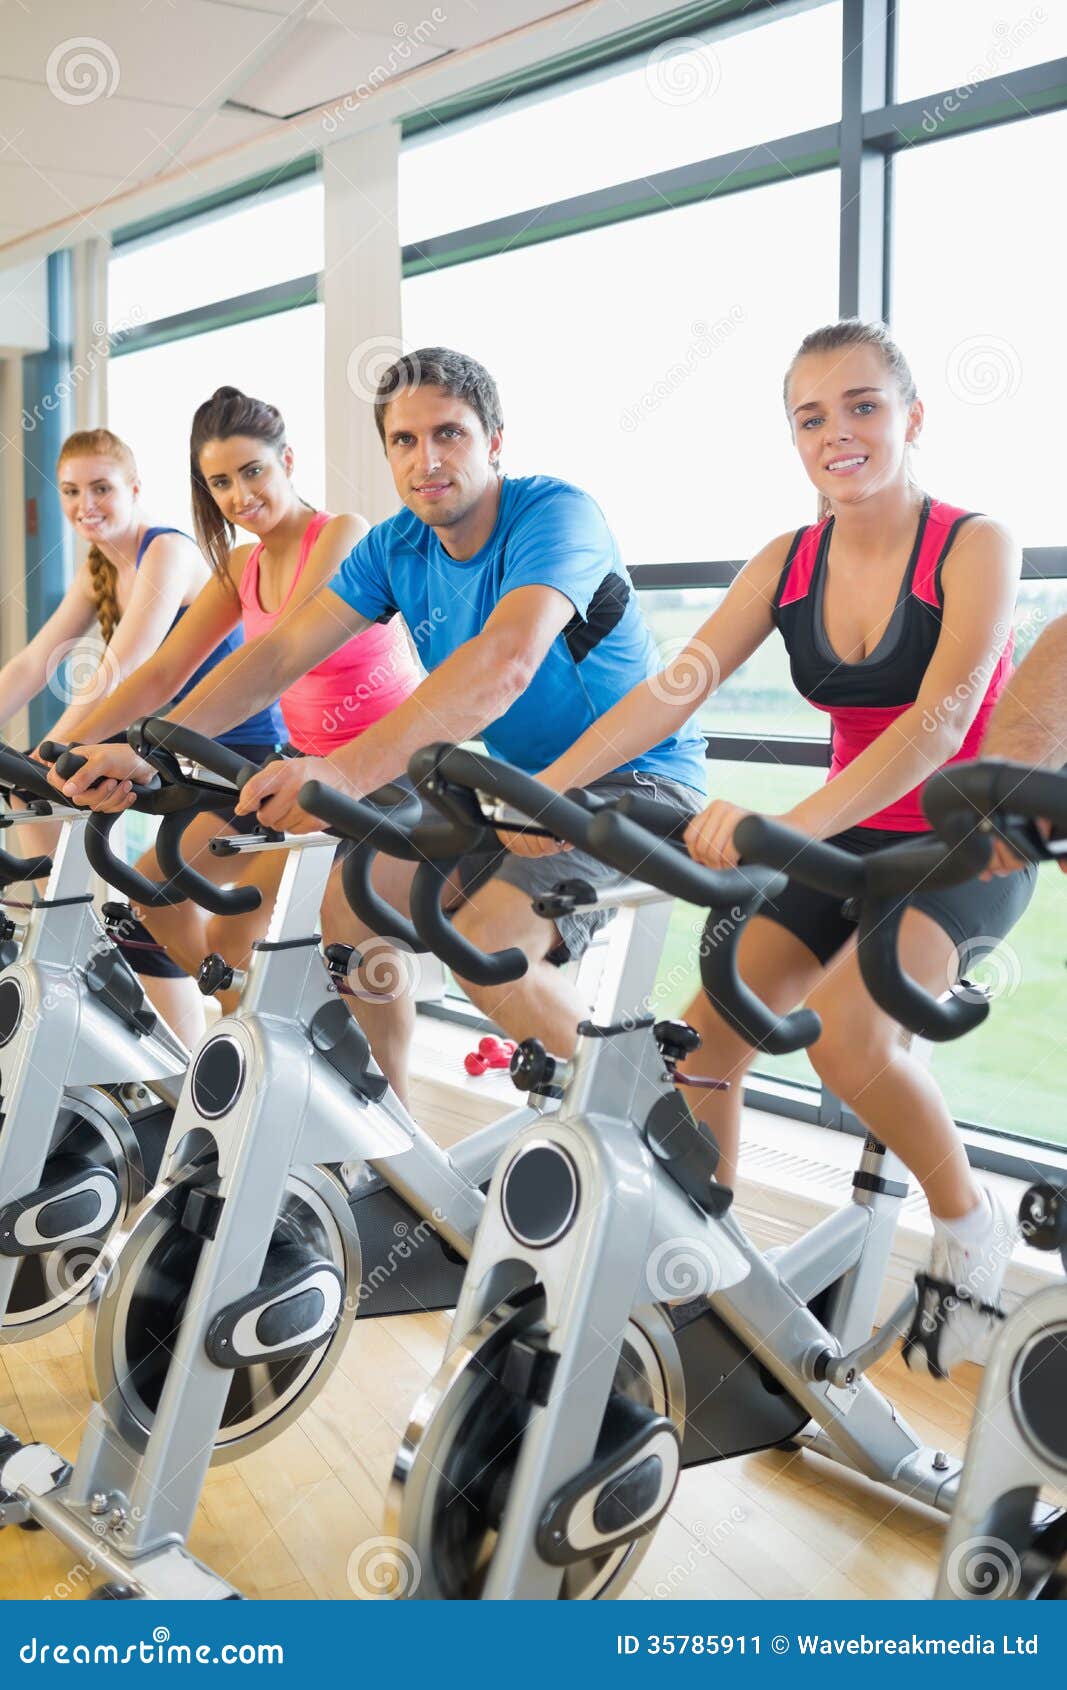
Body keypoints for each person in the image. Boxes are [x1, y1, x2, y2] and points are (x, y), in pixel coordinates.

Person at [508, 319, 1036, 1377]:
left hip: (964, 840)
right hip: (844, 834)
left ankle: (975, 1226)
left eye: (861, 406)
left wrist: (797, 821)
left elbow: (939, 721)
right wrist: (547, 788)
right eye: (810, 416)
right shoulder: (786, 561)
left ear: (911, 417)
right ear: (791, 438)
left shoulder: (971, 543)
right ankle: (705, 1262)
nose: (835, 432)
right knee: (703, 1047)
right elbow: (674, 687)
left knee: (846, 1041)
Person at [55, 350, 707, 1105]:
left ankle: (651, 1118)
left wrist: (341, 770)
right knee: (350, 905)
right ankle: (381, 1138)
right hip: (518, 791)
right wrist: (148, 747)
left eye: (449, 434)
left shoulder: (556, 513)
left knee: (488, 949)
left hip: (636, 779)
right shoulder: (396, 546)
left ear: (494, 440)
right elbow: (279, 655)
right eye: (404, 441)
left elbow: (505, 662)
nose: (426, 459)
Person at [46, 392, 418, 1043]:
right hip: (300, 773)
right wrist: (64, 746)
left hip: (383, 769)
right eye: (219, 481)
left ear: (288, 462)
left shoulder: (341, 533)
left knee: (352, 948)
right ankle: (269, 1052)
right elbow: (160, 674)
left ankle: (385, 1107)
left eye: (252, 471)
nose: (239, 495)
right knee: (180, 910)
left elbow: (279, 652)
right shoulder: (239, 566)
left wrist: (148, 746)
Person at [0, 425, 280, 1044]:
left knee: (145, 911)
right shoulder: (101, 567)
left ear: (134, 488)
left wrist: (52, 751)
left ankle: (176, 1065)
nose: (85, 505)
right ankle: (78, 942)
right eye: (71, 491)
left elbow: (124, 672)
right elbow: (31, 664)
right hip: (179, 759)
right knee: (125, 903)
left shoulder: (168, 552)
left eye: (101, 488)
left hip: (240, 762)